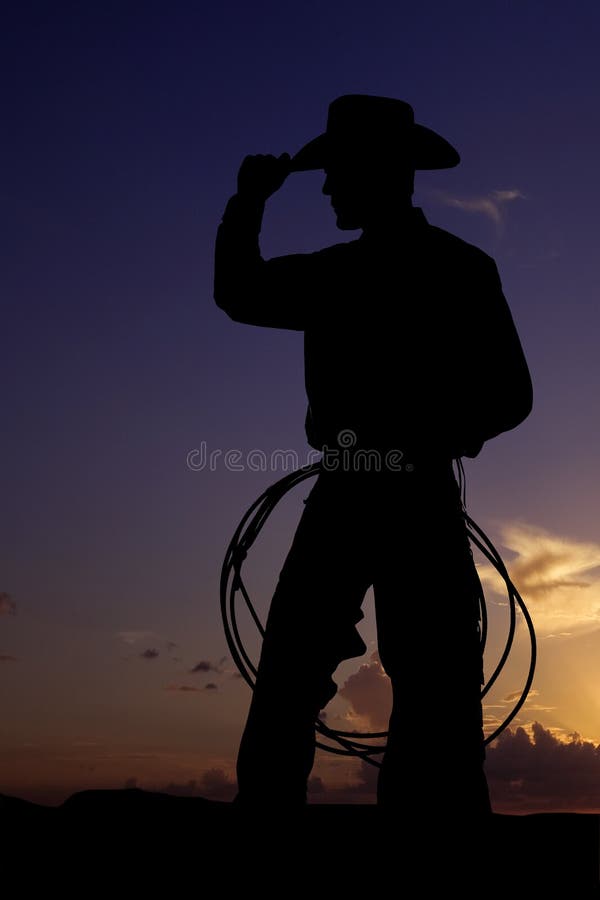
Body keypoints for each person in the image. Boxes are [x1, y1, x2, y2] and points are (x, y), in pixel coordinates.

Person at [213, 95, 533, 813]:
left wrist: (248, 204)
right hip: (417, 496)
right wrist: (440, 434)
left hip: (354, 492)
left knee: (295, 677)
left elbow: (238, 290)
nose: (327, 188)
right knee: (436, 688)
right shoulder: (461, 268)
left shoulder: (338, 276)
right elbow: (510, 396)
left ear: (374, 172)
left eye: (338, 173)